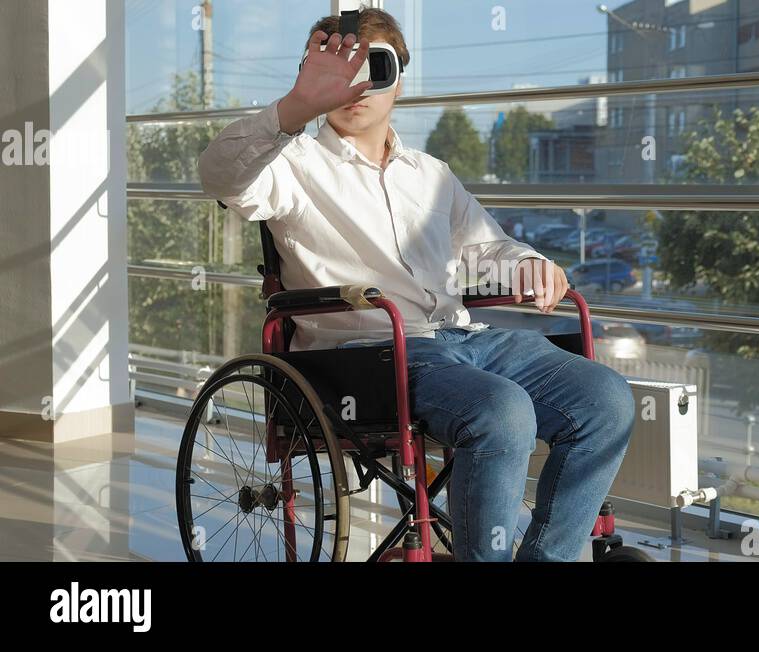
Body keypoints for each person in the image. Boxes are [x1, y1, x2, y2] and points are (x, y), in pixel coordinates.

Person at [198, 8, 634, 561]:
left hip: (463, 341)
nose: (355, 83)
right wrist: (296, 107)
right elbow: (218, 174)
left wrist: (528, 262)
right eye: (335, 66)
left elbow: (488, 248)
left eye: (371, 66)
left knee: (606, 399)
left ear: (398, 79)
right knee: (501, 412)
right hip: (368, 353)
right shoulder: (293, 165)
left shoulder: (429, 173)